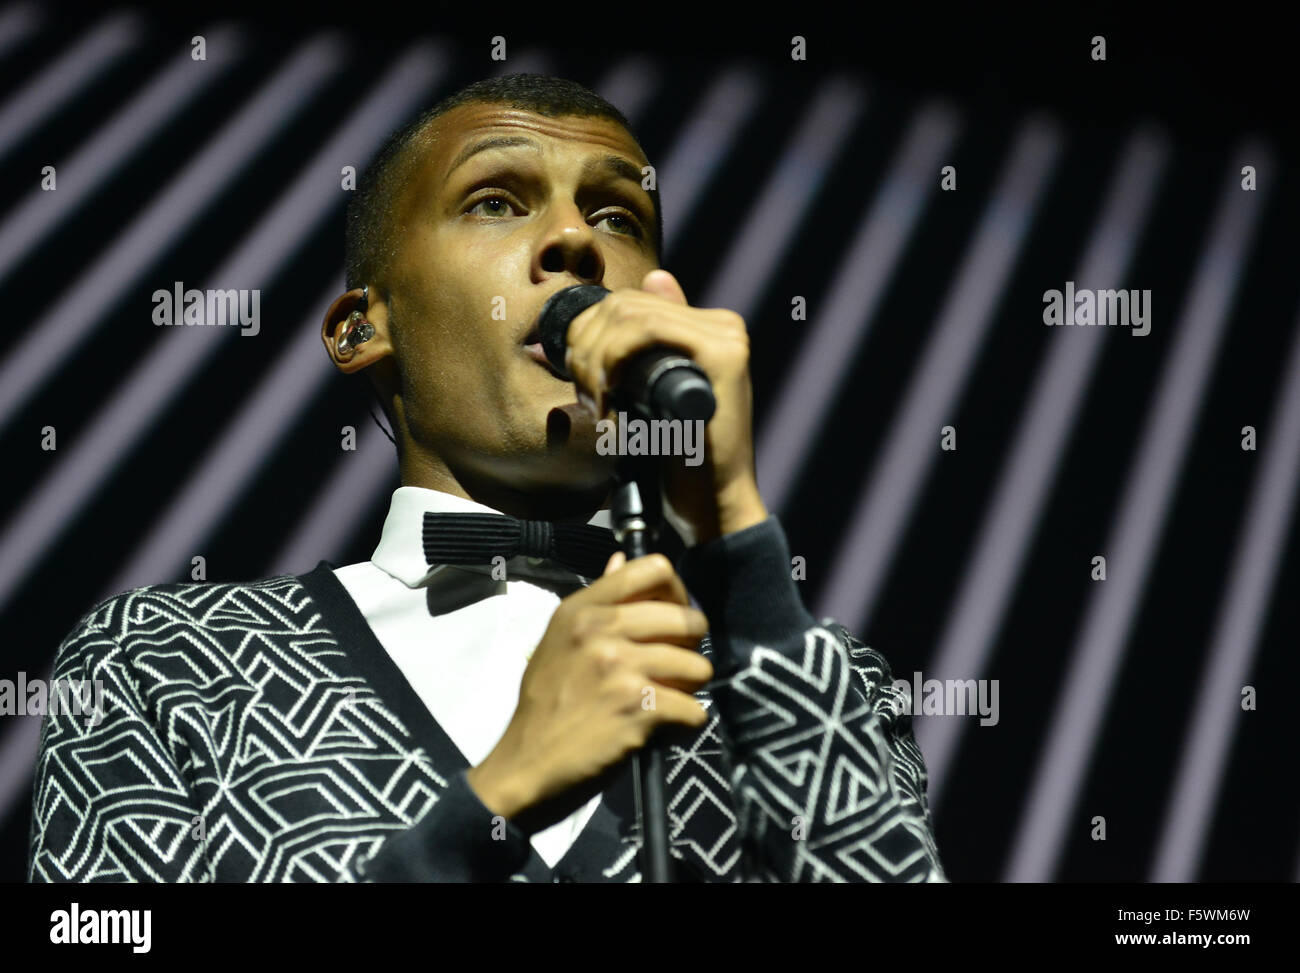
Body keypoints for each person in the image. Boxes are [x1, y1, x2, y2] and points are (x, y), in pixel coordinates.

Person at [28, 74, 946, 883]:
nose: (576, 242)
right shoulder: (167, 662)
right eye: (496, 201)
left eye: (619, 216)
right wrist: (494, 803)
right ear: (361, 328)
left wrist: (735, 530)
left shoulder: (814, 681)